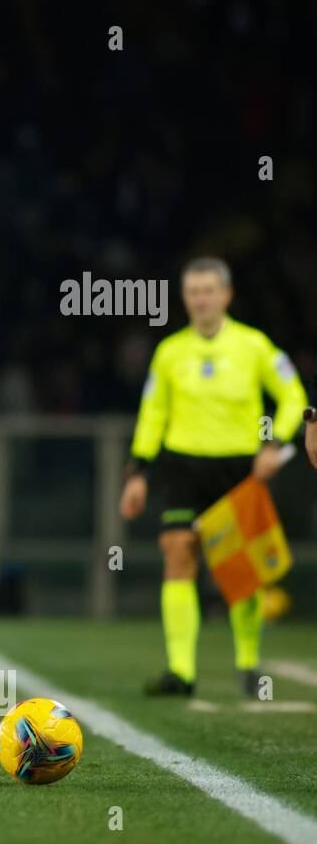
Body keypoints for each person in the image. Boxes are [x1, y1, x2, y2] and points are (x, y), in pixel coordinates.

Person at [119, 257, 308, 697]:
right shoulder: (169, 352)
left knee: (240, 567)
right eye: (193, 292)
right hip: (183, 468)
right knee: (178, 553)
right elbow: (153, 414)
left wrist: (275, 444)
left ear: (226, 295)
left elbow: (292, 394)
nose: (201, 299)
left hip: (239, 469)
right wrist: (138, 472)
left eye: (209, 291)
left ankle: (248, 665)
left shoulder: (254, 346)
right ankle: (181, 672)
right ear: (185, 298)